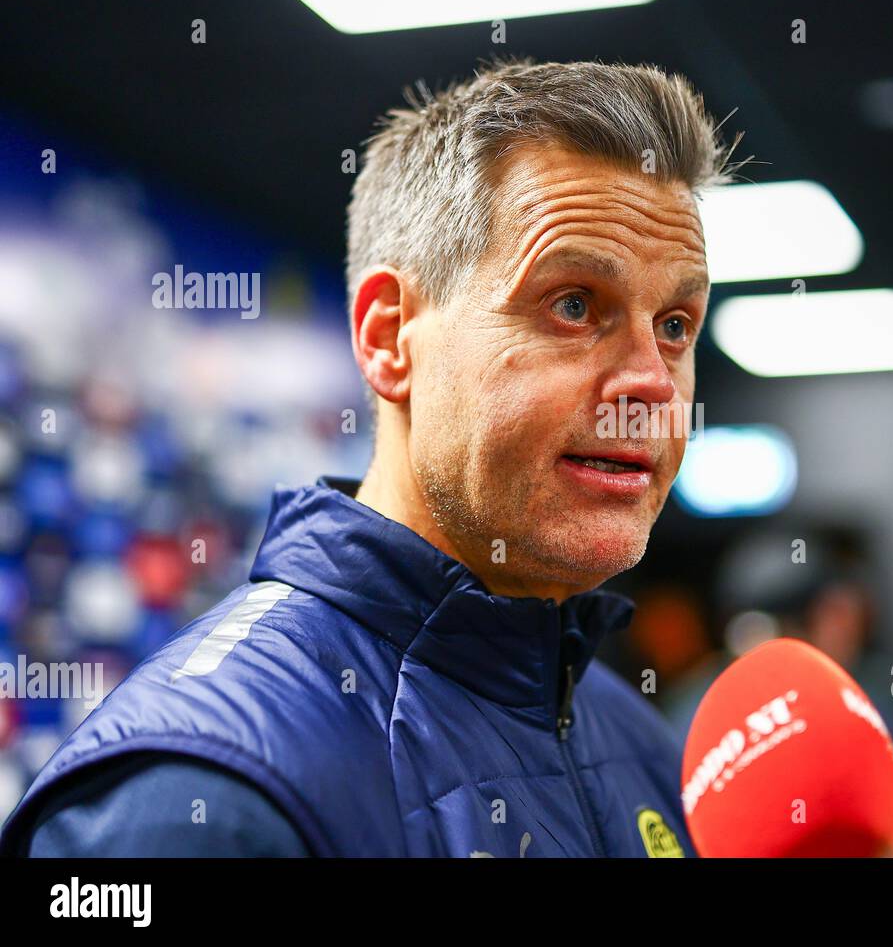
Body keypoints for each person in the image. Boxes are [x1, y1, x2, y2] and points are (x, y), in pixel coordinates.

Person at [0, 57, 741, 857]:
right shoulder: (190, 800)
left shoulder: (643, 745)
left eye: (674, 324)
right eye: (573, 304)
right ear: (388, 338)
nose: (652, 384)